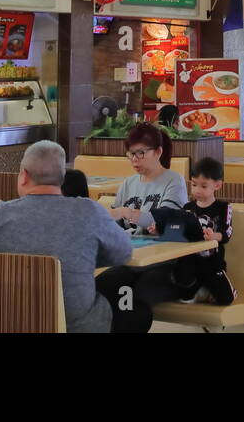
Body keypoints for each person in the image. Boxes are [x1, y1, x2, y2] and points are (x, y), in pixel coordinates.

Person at [0, 141, 131, 333]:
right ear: (62, 177)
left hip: (13, 322)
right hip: (77, 325)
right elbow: (123, 253)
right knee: (132, 309)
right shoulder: (90, 211)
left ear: (24, 175)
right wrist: (83, 257)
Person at [95, 123, 189, 332]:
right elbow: (114, 224)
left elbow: (166, 220)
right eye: (131, 154)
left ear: (158, 152)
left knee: (134, 301)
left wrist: (128, 213)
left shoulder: (174, 181)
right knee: (101, 286)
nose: (134, 159)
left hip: (165, 264)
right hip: (131, 261)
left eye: (140, 153)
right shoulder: (128, 184)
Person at [172, 157, 236, 305]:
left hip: (213, 263)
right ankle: (198, 289)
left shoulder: (223, 208)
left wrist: (214, 236)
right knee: (182, 294)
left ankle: (207, 289)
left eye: (203, 186)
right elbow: (180, 232)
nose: (197, 190)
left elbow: (227, 233)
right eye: (194, 185)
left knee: (226, 299)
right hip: (190, 263)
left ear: (217, 185)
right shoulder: (188, 208)